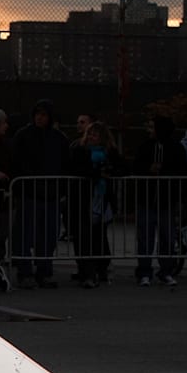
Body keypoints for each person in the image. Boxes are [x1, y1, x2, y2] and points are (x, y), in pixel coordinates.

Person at [10, 99, 70, 289]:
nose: (39, 117)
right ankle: (25, 271)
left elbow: (64, 165)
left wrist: (61, 190)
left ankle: (44, 271)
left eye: (43, 114)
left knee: (48, 236)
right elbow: (16, 162)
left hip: (50, 194)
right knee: (25, 235)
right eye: (37, 113)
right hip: (29, 193)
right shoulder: (24, 136)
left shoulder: (58, 138)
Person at [132, 116, 187, 286]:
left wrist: (178, 196)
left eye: (153, 127)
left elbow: (182, 174)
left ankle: (166, 271)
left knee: (167, 238)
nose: (149, 131)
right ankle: (144, 271)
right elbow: (135, 167)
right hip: (147, 200)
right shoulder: (145, 147)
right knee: (145, 238)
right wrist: (148, 170)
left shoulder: (176, 148)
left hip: (166, 201)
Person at [68, 121, 122, 288]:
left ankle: (100, 269)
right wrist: (96, 173)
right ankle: (87, 273)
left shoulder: (110, 152)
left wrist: (110, 172)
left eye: (95, 134)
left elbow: (123, 168)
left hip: (101, 198)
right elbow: (75, 169)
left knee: (99, 237)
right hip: (83, 198)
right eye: (90, 134)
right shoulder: (79, 149)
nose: (91, 137)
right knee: (84, 237)